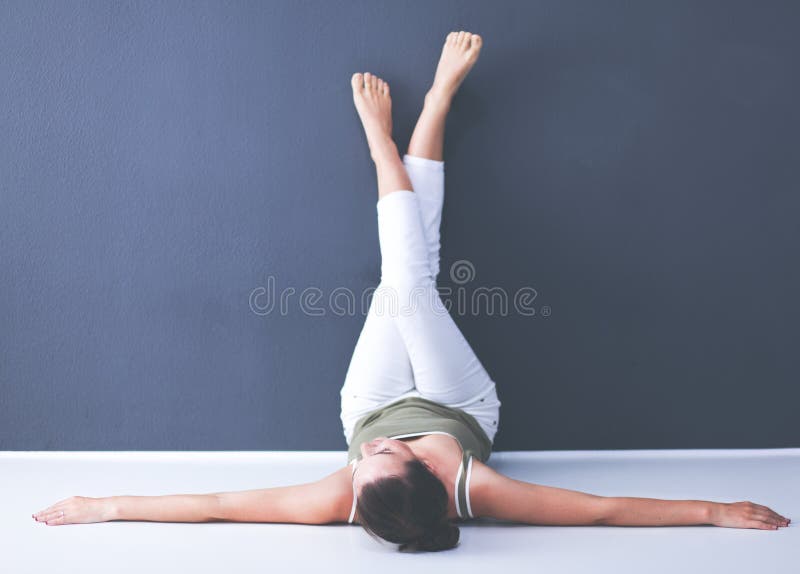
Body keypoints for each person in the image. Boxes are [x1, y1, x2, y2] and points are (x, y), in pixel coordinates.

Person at [32, 30, 790, 551]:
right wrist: (716, 511)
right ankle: (392, 137)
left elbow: (218, 506)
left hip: (367, 397)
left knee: (407, 277)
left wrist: (102, 505)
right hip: (462, 406)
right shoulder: (474, 483)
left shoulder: (343, 494)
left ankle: (424, 121)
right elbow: (600, 513)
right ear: (431, 476)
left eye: (371, 461)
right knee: (407, 279)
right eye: (400, 457)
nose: (385, 450)